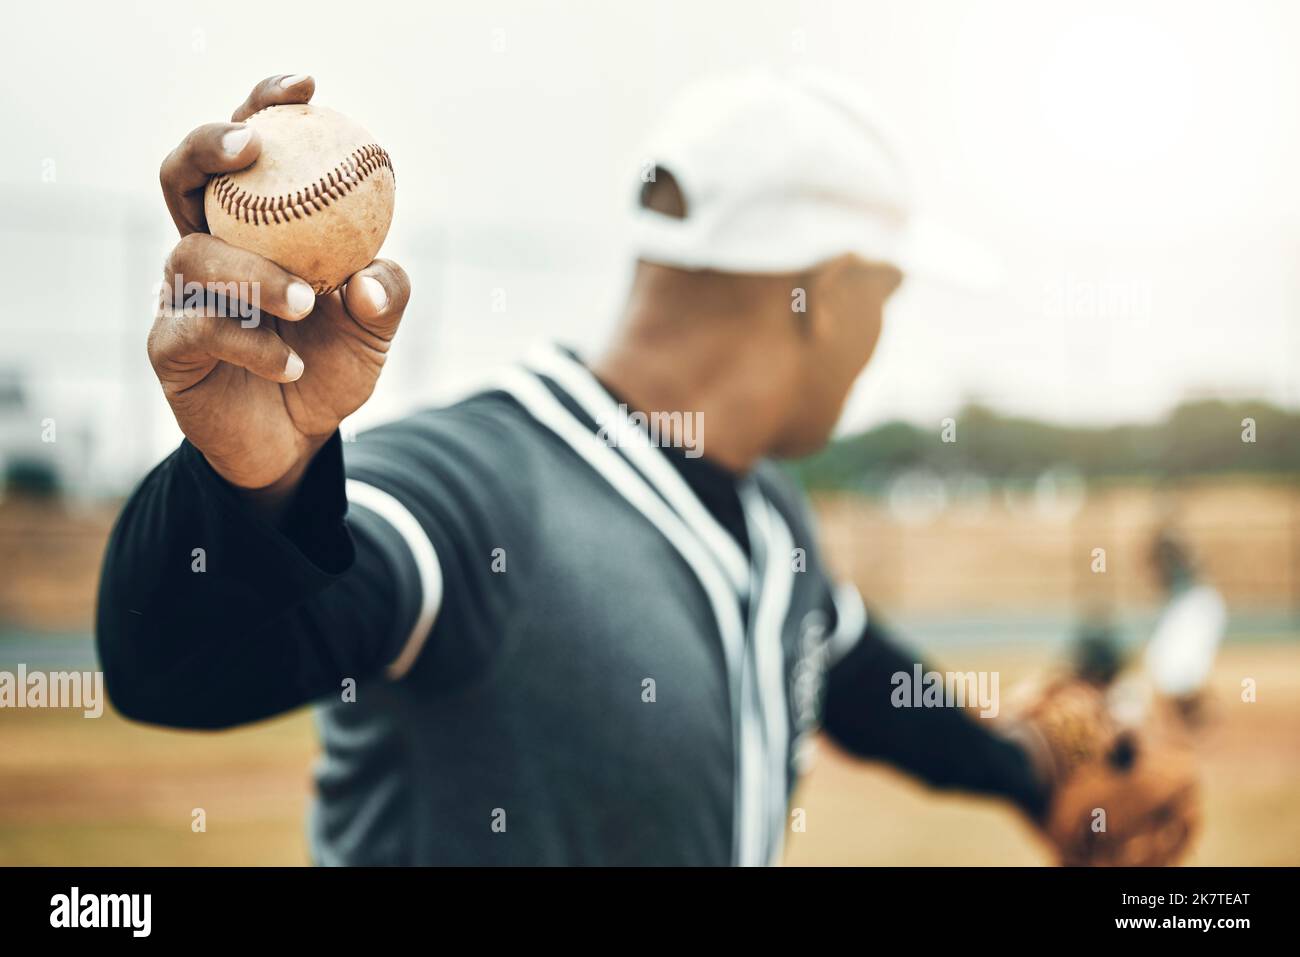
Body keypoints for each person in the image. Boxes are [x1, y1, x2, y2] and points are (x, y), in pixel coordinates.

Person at [100, 71, 1113, 865]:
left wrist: (1032, 773)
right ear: (836, 295)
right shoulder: (476, 483)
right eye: (887, 301)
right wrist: (245, 486)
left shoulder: (765, 511)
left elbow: (850, 673)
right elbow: (182, 669)